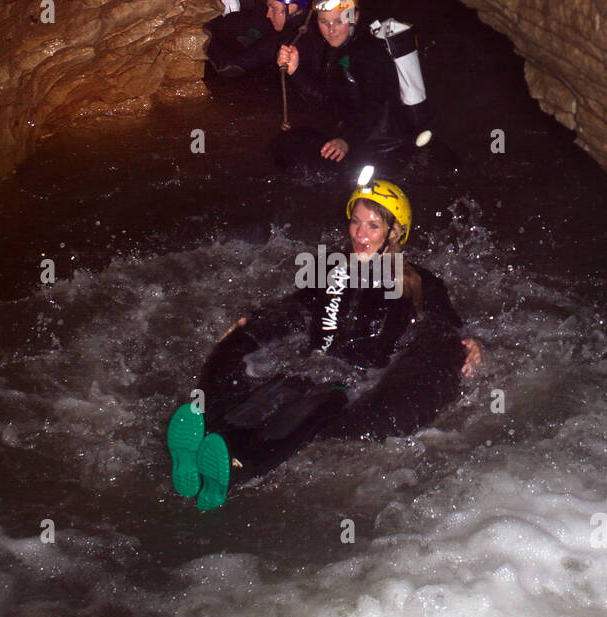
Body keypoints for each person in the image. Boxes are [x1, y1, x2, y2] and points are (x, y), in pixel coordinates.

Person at [166, 178, 482, 510]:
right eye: (355, 222)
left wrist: (472, 346)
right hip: (312, 361)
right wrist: (253, 320)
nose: (360, 234)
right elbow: (297, 307)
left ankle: (235, 468)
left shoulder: (419, 282)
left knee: (309, 410)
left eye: (372, 226)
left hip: (356, 381)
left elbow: (444, 326)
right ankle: (210, 447)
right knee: (272, 393)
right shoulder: (330, 267)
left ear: (394, 231)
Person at [274, 0, 418, 173]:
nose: (331, 30)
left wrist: (346, 141)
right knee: (285, 145)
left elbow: (374, 106)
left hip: (385, 148)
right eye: (324, 22)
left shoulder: (369, 52)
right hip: (359, 138)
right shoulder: (339, 48)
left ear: (354, 17)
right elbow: (329, 99)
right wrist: (296, 70)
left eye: (338, 21)